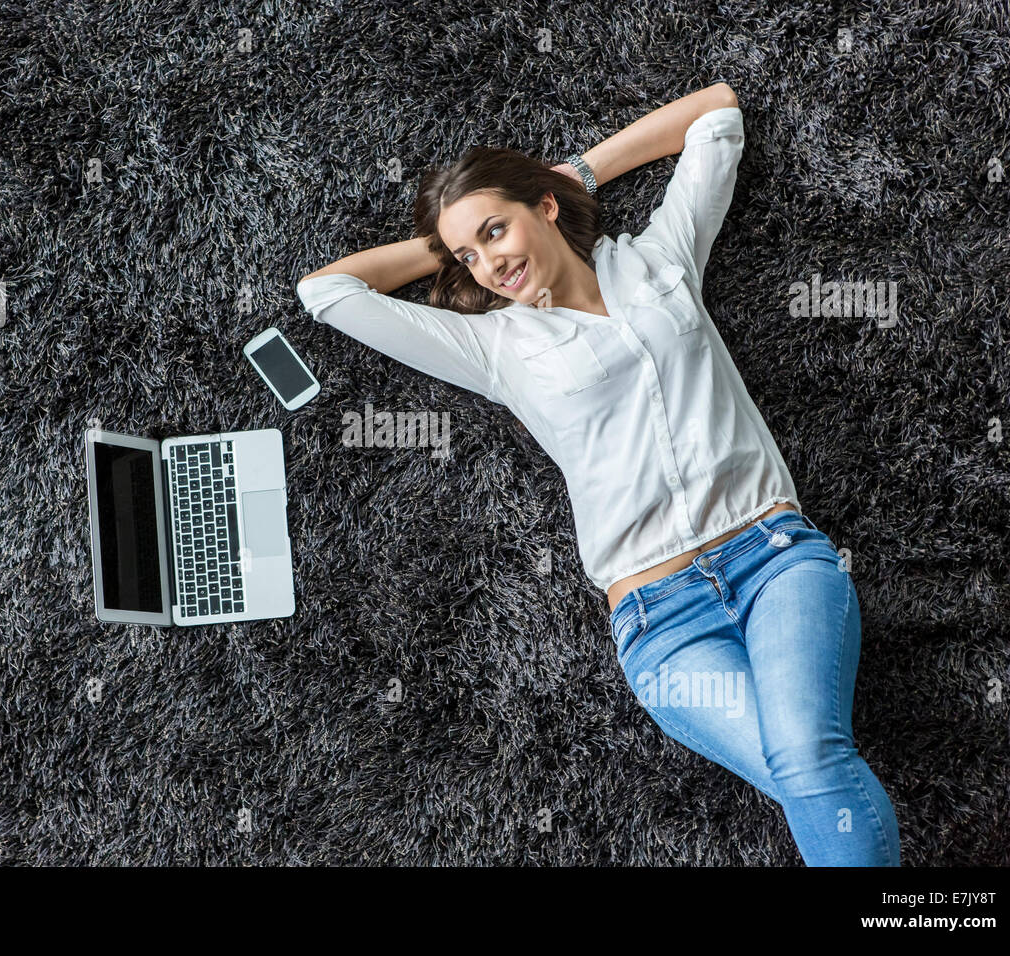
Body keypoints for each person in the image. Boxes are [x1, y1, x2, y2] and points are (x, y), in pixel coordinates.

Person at [296, 82, 900, 866]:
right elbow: (327, 292)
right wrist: (446, 248)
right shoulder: (494, 348)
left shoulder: (661, 260)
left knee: (810, 763)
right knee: (808, 771)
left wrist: (575, 172)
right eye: (468, 256)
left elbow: (716, 112)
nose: (489, 265)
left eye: (494, 230)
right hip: (661, 621)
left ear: (543, 206)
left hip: (774, 558)